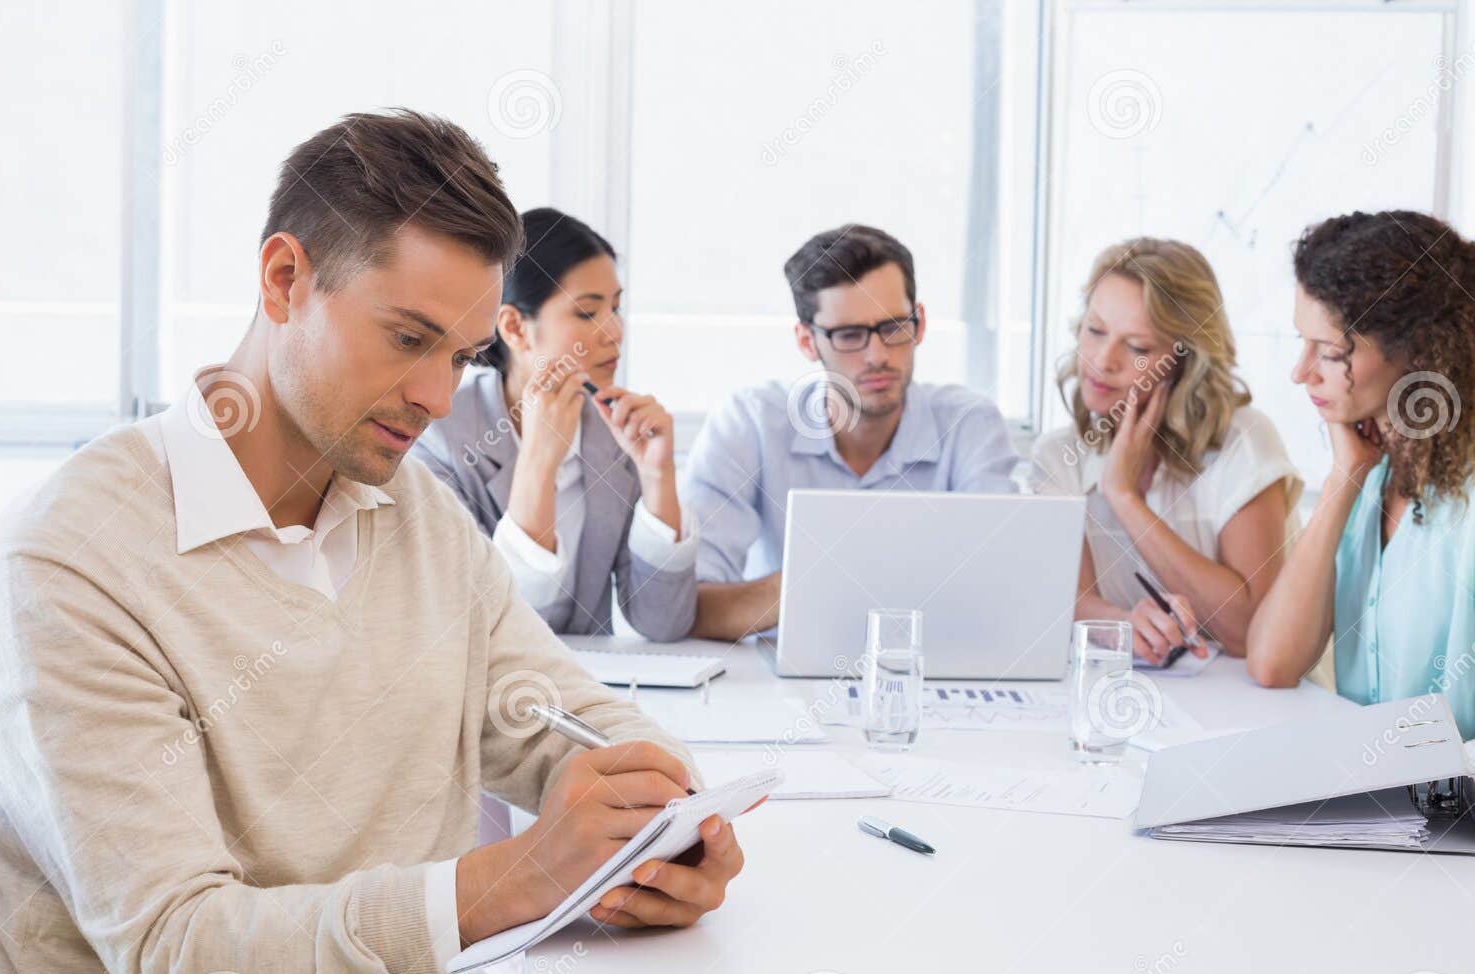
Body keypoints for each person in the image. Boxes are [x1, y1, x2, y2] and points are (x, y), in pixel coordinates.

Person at [0, 110, 748, 974]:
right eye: (408, 337)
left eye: (459, 358)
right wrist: (518, 875)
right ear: (285, 278)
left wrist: (665, 827)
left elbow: (564, 719)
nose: (435, 395)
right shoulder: (72, 562)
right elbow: (187, 964)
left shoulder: (409, 513)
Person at [683, 223, 1019, 641]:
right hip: (776, 684)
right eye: (849, 335)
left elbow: (1004, 593)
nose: (877, 355)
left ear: (920, 323)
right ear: (807, 342)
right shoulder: (749, 423)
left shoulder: (970, 425)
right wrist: (828, 576)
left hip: (926, 674)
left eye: (895, 327)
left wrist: (849, 576)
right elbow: (688, 608)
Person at [412, 208, 695, 641]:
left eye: (616, 309)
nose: (614, 331)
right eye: (587, 313)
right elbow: (486, 630)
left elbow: (663, 623)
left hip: (587, 695)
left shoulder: (616, 434)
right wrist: (539, 464)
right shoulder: (441, 437)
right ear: (514, 328)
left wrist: (659, 478)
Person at [1248, 210, 1475, 736]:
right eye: (1303, 345)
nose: (1301, 372)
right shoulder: (1372, 474)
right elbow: (1272, 664)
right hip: (1377, 800)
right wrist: (1344, 478)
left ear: (1419, 353)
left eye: (1329, 353)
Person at [1031, 238, 1301, 664]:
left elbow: (1250, 633)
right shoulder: (1058, 456)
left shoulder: (1243, 442)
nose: (1102, 360)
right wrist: (1122, 623)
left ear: (1184, 362)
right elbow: (1075, 601)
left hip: (1250, 706)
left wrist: (1124, 496)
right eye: (1095, 330)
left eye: (1137, 347)